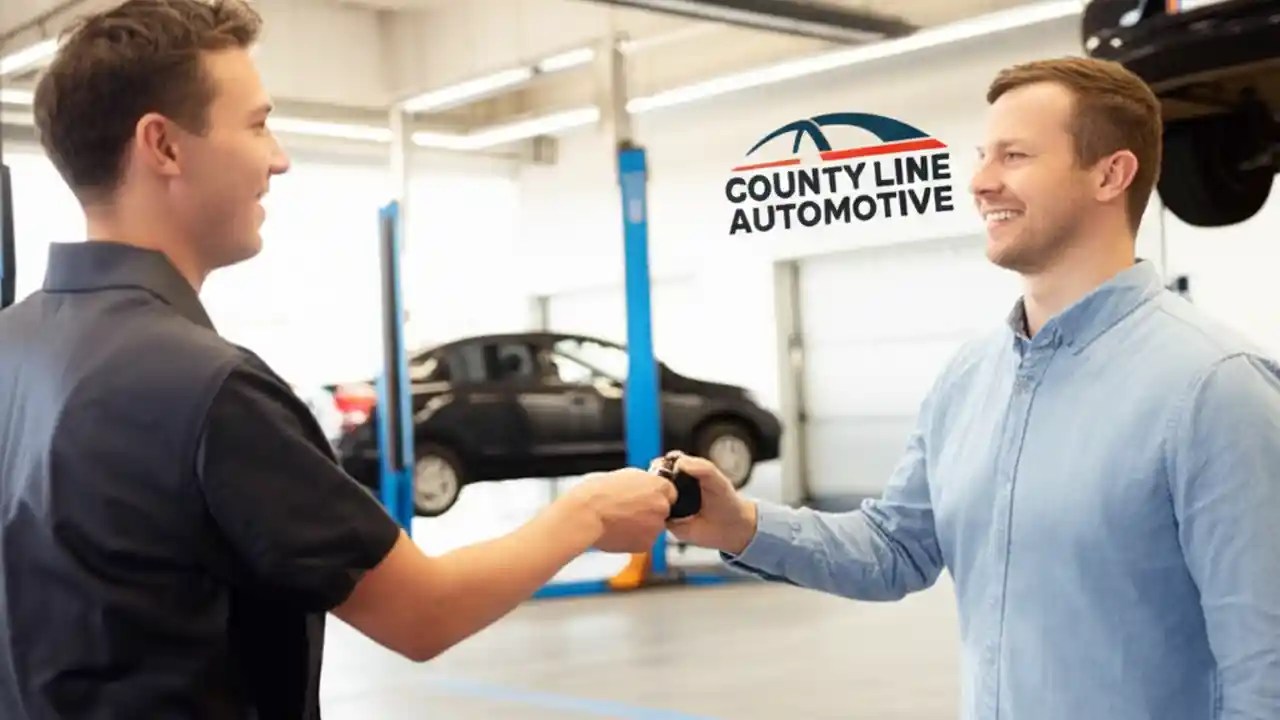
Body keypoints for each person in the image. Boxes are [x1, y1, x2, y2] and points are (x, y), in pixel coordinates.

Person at [0, 0, 676, 718]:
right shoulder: (208, 389)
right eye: (257, 125)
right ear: (163, 145)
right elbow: (424, 612)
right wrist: (588, 513)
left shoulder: (13, 346)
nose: (279, 158)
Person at [662, 56, 1280, 720]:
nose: (981, 182)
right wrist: (741, 524)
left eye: (1014, 156)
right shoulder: (970, 377)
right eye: (983, 156)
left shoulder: (1215, 386)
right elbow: (896, 547)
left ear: (1111, 174)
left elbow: (1266, 663)